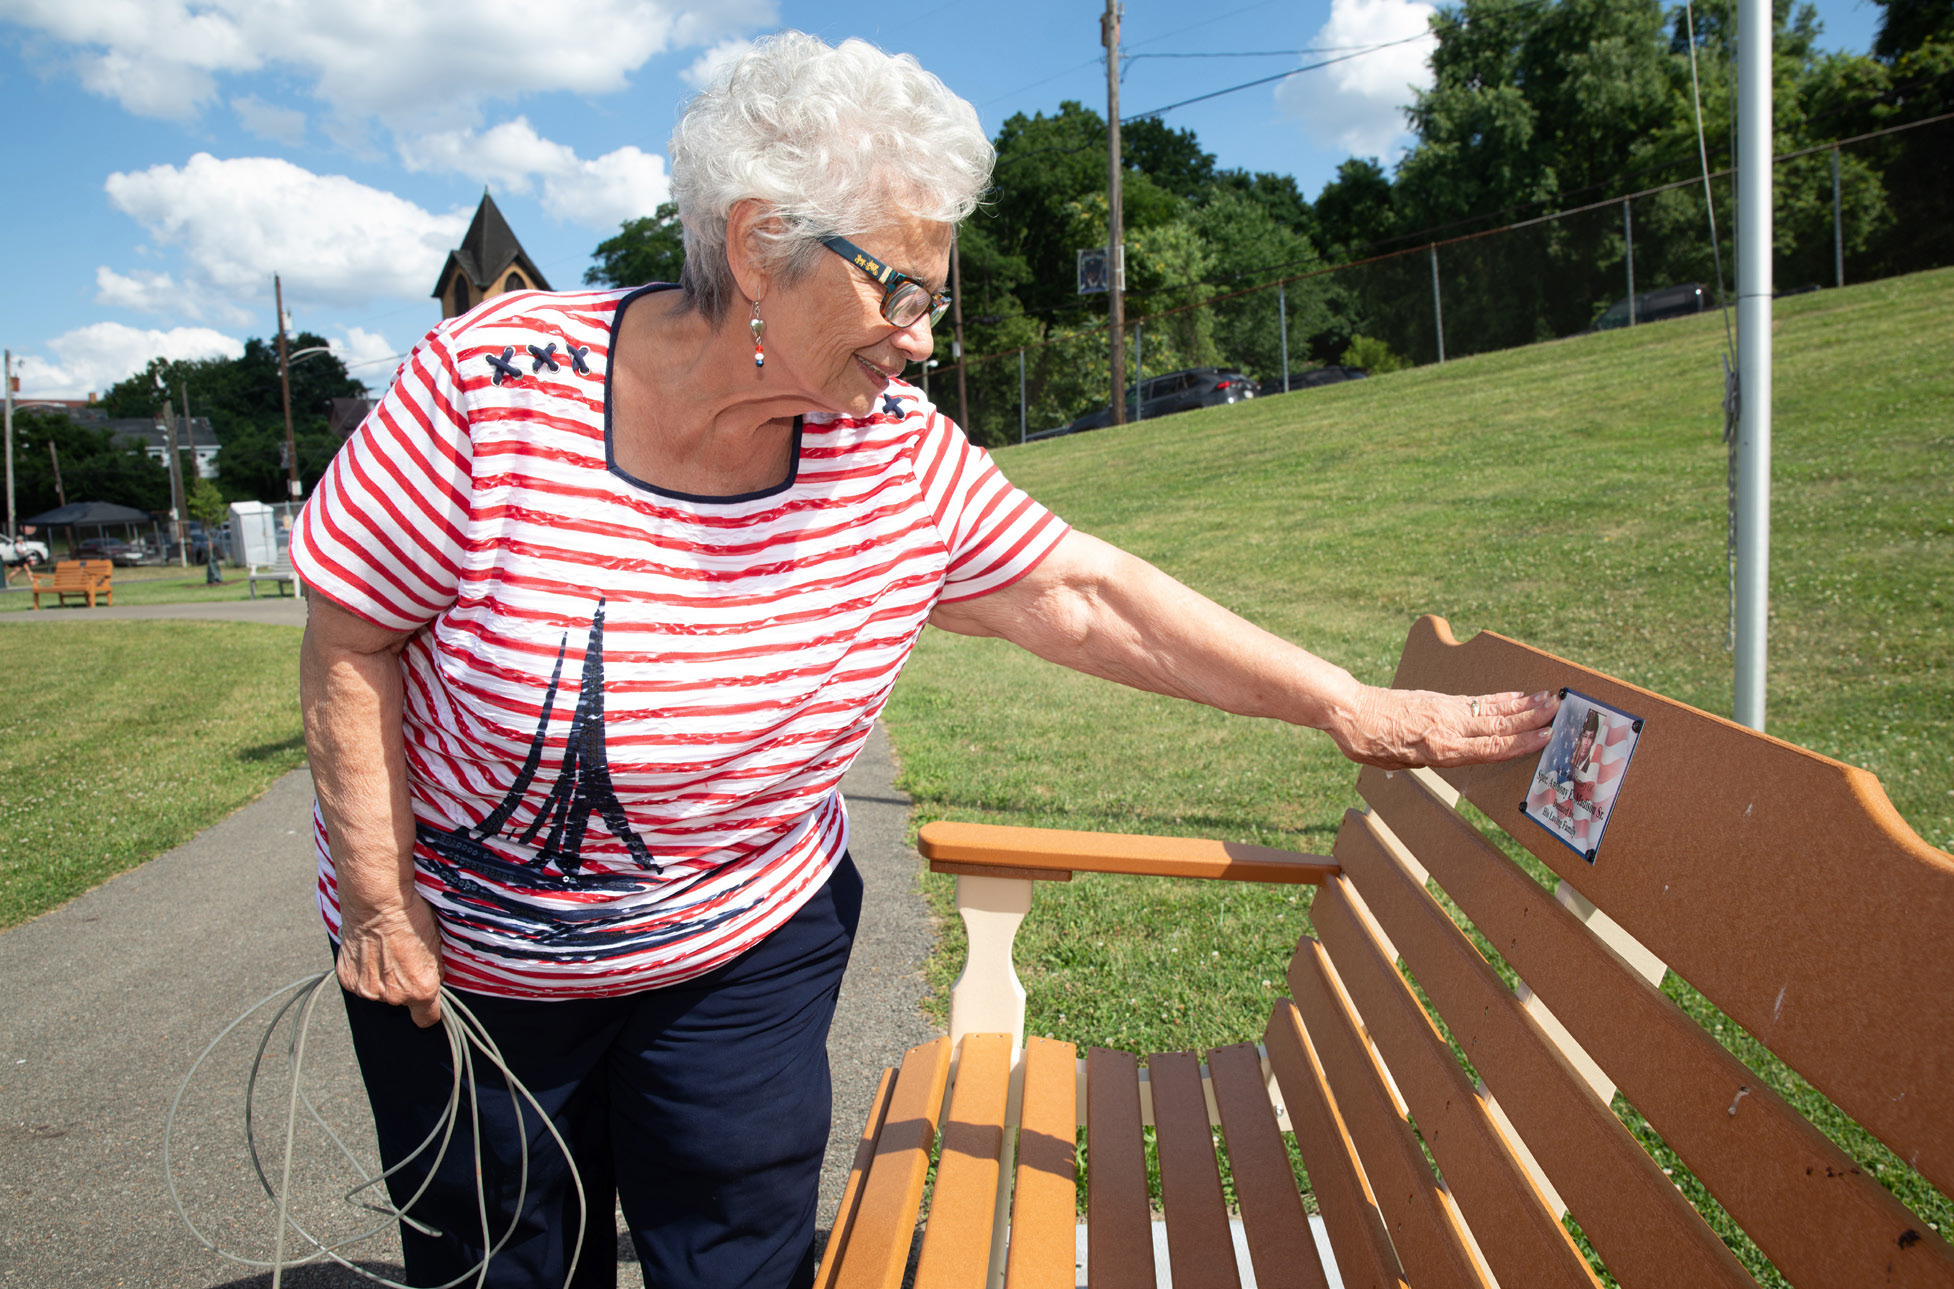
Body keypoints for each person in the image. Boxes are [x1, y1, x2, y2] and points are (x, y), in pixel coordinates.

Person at [295, 31, 1557, 1289]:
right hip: (462, 959)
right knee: (498, 1264)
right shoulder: (491, 389)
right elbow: (352, 637)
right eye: (898, 289)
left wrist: (1349, 706)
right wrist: (381, 902)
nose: (922, 338)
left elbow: (1083, 594)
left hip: (739, 943)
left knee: (737, 1257)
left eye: (932, 298)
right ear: (756, 246)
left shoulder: (892, 452)